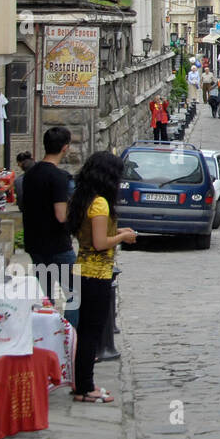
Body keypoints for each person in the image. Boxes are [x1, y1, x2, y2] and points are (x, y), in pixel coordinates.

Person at [68, 152, 137, 403]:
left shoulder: (84, 199)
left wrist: (116, 230)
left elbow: (91, 232)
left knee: (86, 329)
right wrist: (122, 237)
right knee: (91, 333)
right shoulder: (100, 204)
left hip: (82, 270)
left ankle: (81, 383)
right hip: (95, 273)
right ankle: (86, 387)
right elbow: (99, 242)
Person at [21, 127, 75, 304]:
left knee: (45, 298)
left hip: (35, 243)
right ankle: (72, 330)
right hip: (57, 245)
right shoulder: (58, 177)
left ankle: (46, 330)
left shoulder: (29, 175)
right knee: (76, 294)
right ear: (65, 148)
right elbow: (61, 215)